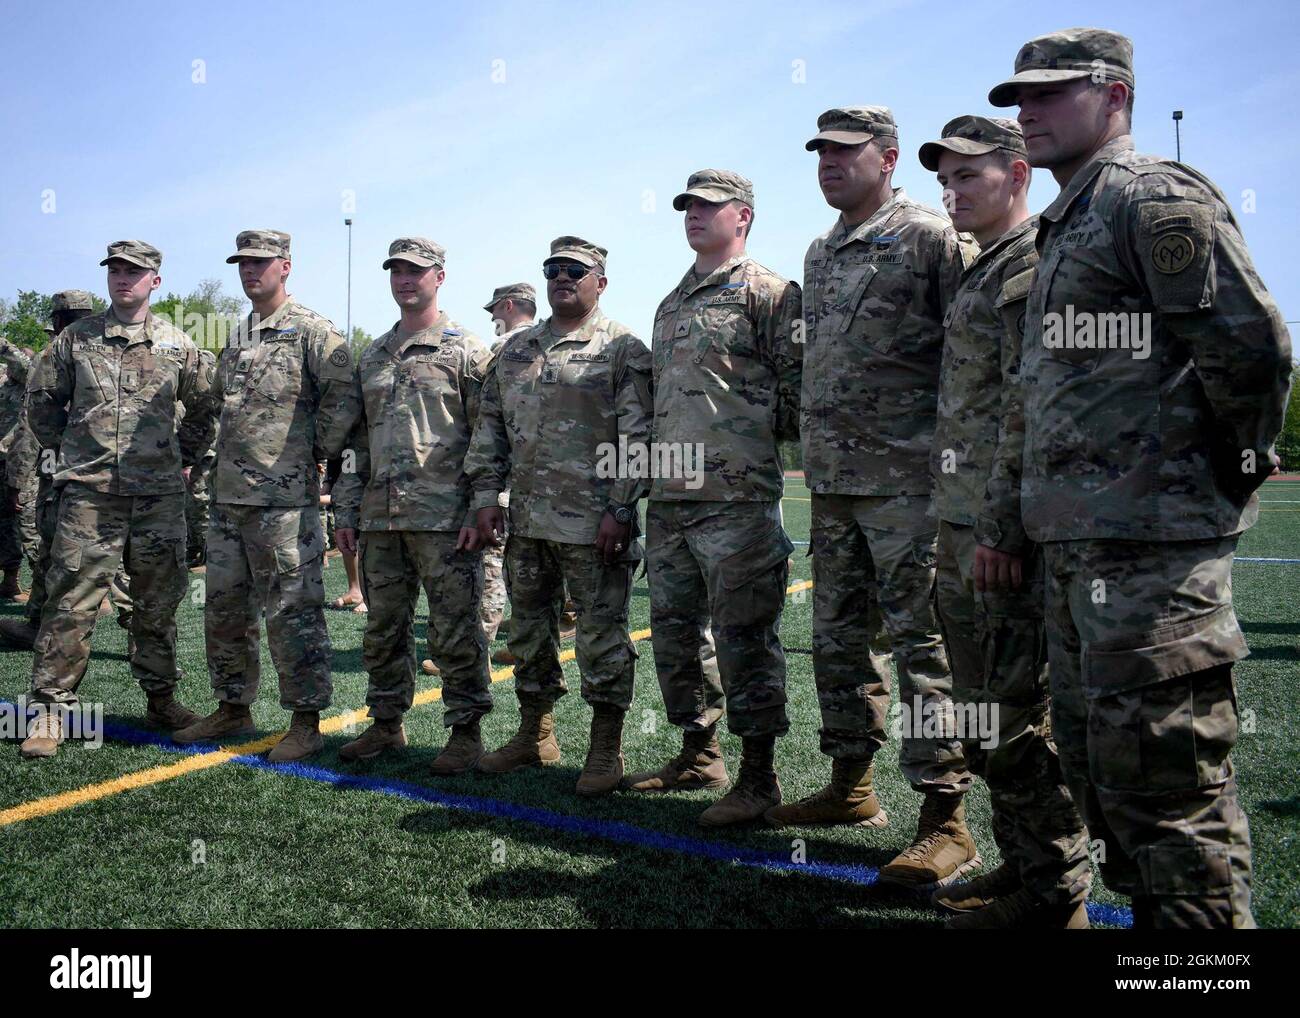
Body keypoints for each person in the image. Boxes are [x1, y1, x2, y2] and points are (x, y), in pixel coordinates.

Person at [989, 27, 1292, 928]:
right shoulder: (1066, 220)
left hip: (1154, 554)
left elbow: (1253, 348)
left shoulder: (1149, 198)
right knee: (1103, 778)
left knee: (1170, 796)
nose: (1027, 113)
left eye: (1049, 94)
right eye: (1019, 99)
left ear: (1115, 96)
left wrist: (1223, 476)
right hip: (1080, 551)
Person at [781, 106, 979, 889]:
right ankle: (850, 788)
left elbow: (971, 349)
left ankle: (945, 819)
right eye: (820, 152)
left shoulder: (932, 237)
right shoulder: (820, 251)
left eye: (844, 151)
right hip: (832, 487)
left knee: (924, 652)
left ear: (889, 158)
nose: (828, 163)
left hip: (910, 487)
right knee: (837, 645)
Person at [918, 115, 1092, 927]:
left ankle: (1056, 896)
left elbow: (1029, 410)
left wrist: (998, 530)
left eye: (970, 178)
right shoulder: (981, 271)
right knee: (984, 720)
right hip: (963, 530)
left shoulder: (1031, 266)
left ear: (1018, 176)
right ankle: (1025, 869)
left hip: (1003, 535)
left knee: (1019, 724)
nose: (952, 194)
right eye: (945, 181)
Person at [624, 169, 804, 826]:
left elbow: (796, 393)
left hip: (737, 498)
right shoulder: (671, 302)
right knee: (675, 635)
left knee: (744, 637)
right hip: (670, 501)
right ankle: (700, 754)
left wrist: (742, 443)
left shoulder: (772, 293)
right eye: (687, 206)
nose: (693, 214)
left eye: (708, 206)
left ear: (744, 216)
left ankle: (760, 777)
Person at [465, 236, 653, 796]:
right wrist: (486, 497)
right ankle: (536, 734)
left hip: (594, 527)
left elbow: (638, 436)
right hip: (527, 524)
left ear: (601, 281)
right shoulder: (517, 349)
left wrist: (621, 508)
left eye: (576, 269)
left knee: (600, 638)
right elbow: (490, 427)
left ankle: (604, 750)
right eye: (553, 269)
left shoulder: (622, 349)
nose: (562, 277)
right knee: (528, 634)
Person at [19, 242, 216, 758]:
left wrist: (183, 457)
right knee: (72, 604)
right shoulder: (73, 340)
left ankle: (162, 700)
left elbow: (204, 408)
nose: (124, 279)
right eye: (116, 271)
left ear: (156, 281)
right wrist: (70, 451)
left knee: (156, 606)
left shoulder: (179, 345)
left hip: (158, 498)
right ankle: (50, 713)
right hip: (89, 497)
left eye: (136, 272)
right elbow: (40, 401)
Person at [174, 230, 362, 763]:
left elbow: (344, 401)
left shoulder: (314, 332)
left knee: (292, 614)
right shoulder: (240, 335)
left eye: (260, 263)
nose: (249, 271)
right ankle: (233, 707)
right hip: (229, 499)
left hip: (283, 504)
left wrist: (313, 452)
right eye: (242, 263)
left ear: (286, 267)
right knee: (225, 612)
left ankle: (306, 722)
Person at [332, 237, 494, 772]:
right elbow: (355, 444)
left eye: (416, 271)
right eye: (396, 271)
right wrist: (347, 509)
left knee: (454, 627)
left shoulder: (466, 349)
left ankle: (465, 732)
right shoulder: (373, 355)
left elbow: (489, 435)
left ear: (439, 276)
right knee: (383, 628)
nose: (405, 280)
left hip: (445, 518)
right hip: (381, 518)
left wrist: (483, 505)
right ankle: (386, 725)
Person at [0, 293, 97, 650]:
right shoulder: (113, 349)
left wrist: (25, 473)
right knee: (108, 549)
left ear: (57, 321)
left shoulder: (53, 356)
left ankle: (42, 622)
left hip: (59, 465)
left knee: (54, 544)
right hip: (104, 468)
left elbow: (35, 421)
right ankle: (140, 639)